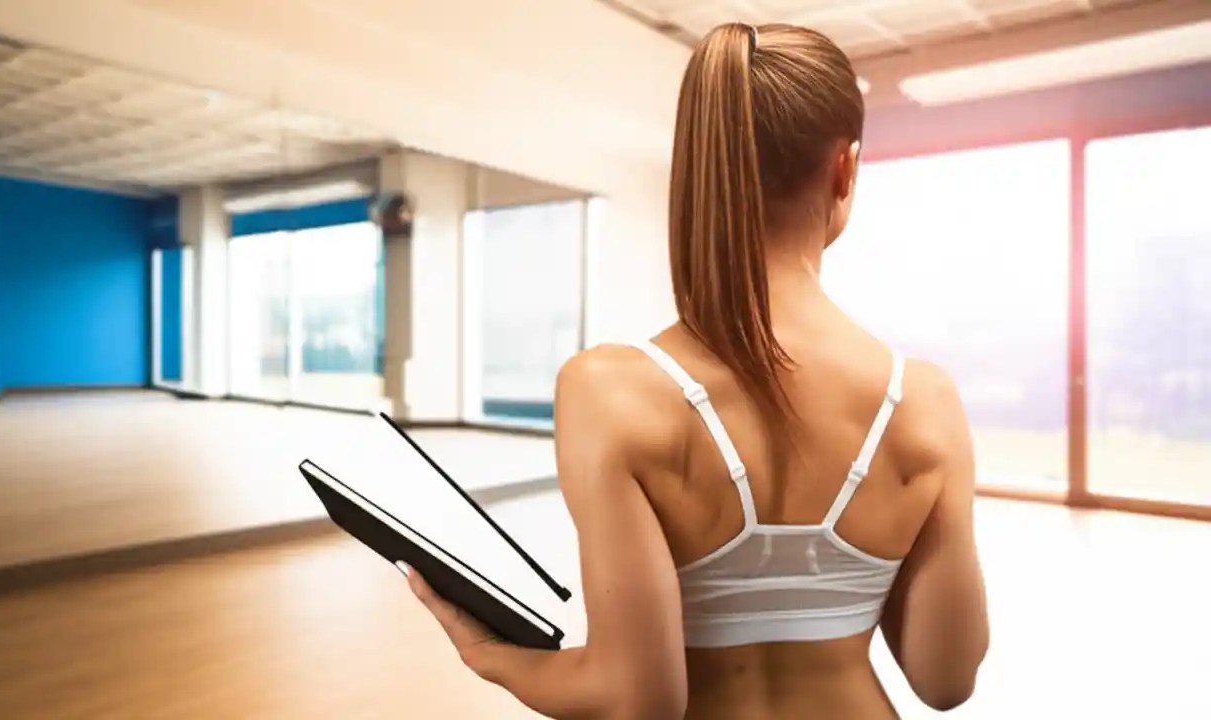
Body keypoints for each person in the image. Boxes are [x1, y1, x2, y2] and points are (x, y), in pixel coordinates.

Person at [404, 21, 989, 719]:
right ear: (845, 168)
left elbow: (639, 699)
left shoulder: (610, 391)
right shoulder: (923, 401)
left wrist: (491, 656)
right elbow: (945, 676)